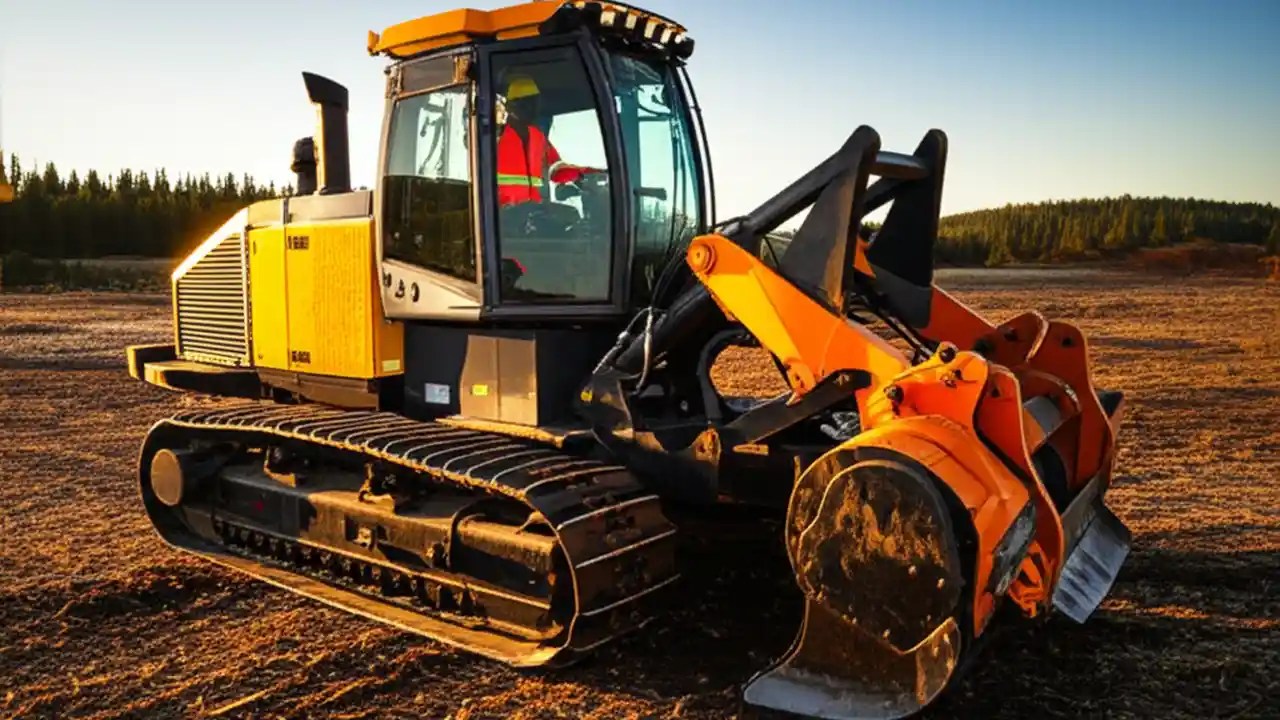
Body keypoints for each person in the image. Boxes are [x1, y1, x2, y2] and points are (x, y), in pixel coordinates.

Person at [496, 74, 599, 206]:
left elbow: (556, 169)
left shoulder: (538, 137)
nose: (534, 108)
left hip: (533, 216)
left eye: (535, 103)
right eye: (527, 103)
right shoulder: (496, 138)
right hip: (501, 219)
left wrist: (585, 174)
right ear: (511, 106)